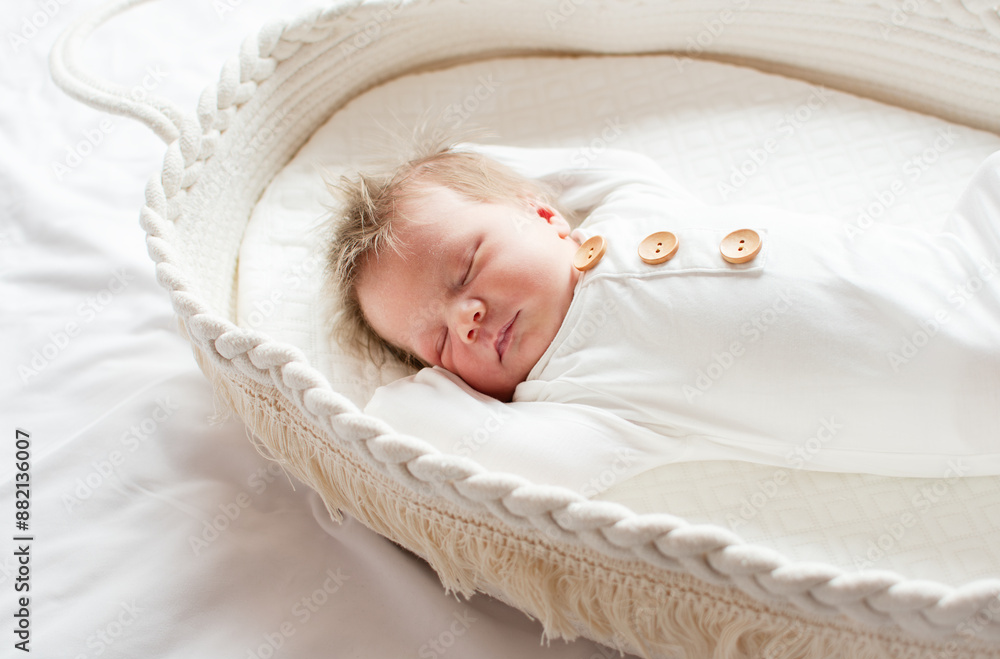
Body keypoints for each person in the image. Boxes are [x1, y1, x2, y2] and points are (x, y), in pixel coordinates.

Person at [326, 141, 1000, 482]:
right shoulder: (582, 401)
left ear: (544, 214)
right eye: (440, 342)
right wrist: (411, 395)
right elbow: (472, 441)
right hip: (975, 386)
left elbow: (595, 166)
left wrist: (451, 167)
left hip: (970, 256)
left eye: (468, 266)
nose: (466, 318)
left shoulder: (633, 207)